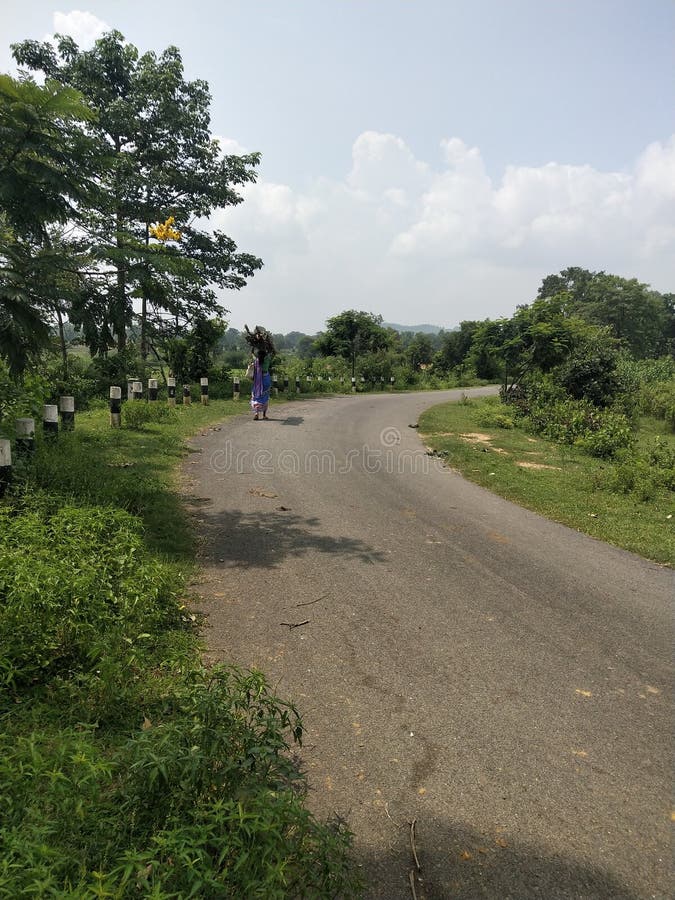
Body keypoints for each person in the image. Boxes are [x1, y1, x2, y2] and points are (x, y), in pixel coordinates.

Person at [250, 347, 272, 420]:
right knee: (265, 397)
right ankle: (264, 415)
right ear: (265, 354)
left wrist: (253, 348)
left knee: (256, 396)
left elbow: (252, 354)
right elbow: (272, 352)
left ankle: (256, 413)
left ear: (258, 355)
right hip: (266, 379)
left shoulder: (256, 360)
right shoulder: (267, 359)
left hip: (258, 381)